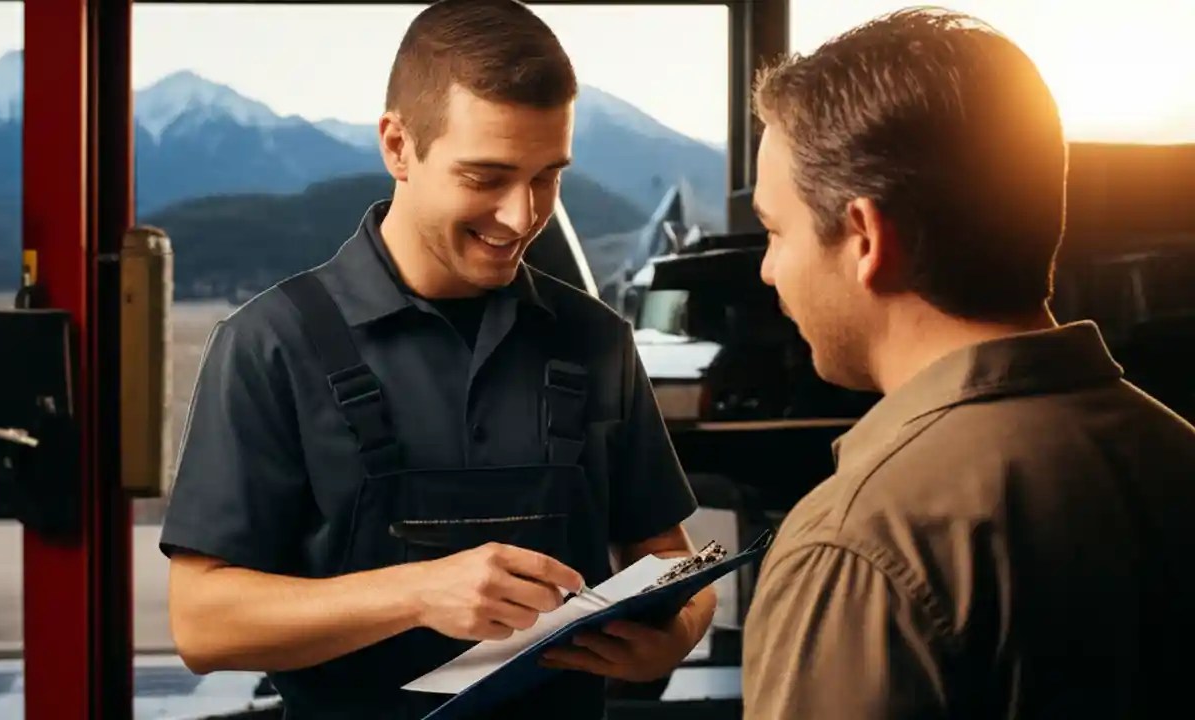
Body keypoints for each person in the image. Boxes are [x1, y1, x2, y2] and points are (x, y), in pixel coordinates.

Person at [158, 1, 714, 718]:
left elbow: (678, 563)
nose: (522, 216)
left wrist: (678, 633)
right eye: (486, 178)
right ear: (397, 146)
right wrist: (418, 594)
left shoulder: (596, 340)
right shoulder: (269, 345)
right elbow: (201, 623)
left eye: (548, 176)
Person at [741, 8, 1195, 719]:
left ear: (864, 236)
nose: (768, 271)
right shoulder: (1175, 453)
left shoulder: (858, 544)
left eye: (774, 231)